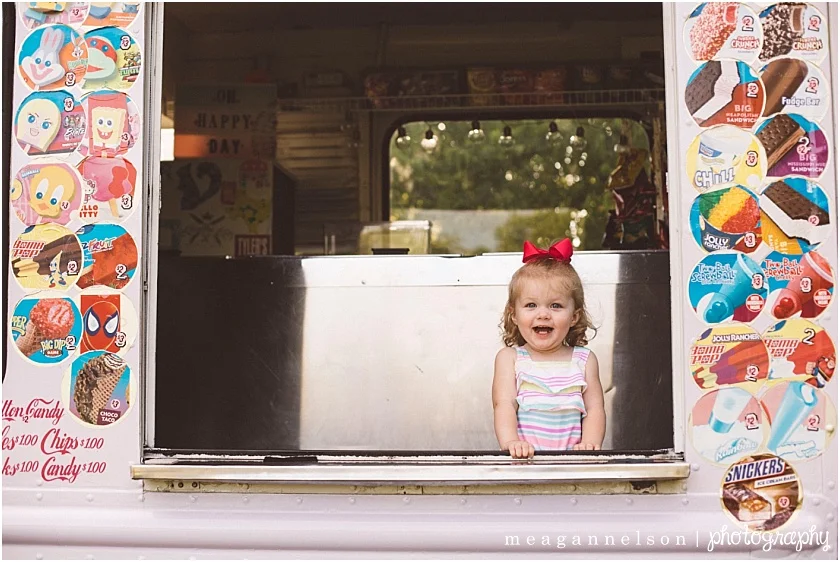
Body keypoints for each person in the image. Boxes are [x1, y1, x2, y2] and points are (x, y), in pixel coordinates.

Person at [492, 238, 606, 458]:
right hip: (525, 463)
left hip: (572, 465)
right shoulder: (511, 358)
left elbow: (594, 410)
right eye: (531, 305)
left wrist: (589, 445)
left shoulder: (583, 359)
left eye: (556, 306)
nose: (543, 314)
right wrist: (511, 442)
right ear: (513, 314)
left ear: (574, 316)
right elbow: (503, 405)